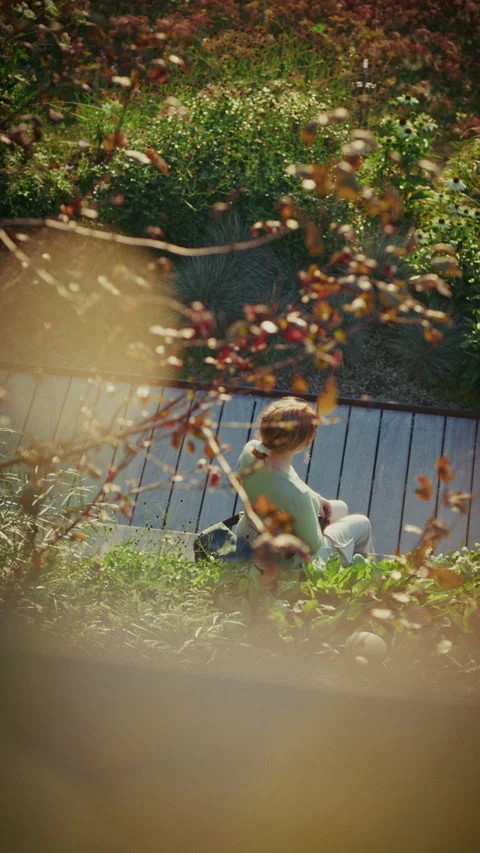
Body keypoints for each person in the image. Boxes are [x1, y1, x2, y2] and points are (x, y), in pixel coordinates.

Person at [235, 397, 373, 570]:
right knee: (362, 523)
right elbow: (315, 547)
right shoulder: (299, 496)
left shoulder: (251, 452)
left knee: (341, 508)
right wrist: (314, 518)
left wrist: (317, 499)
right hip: (286, 559)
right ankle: (358, 575)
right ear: (306, 441)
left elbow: (286, 478)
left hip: (250, 535)